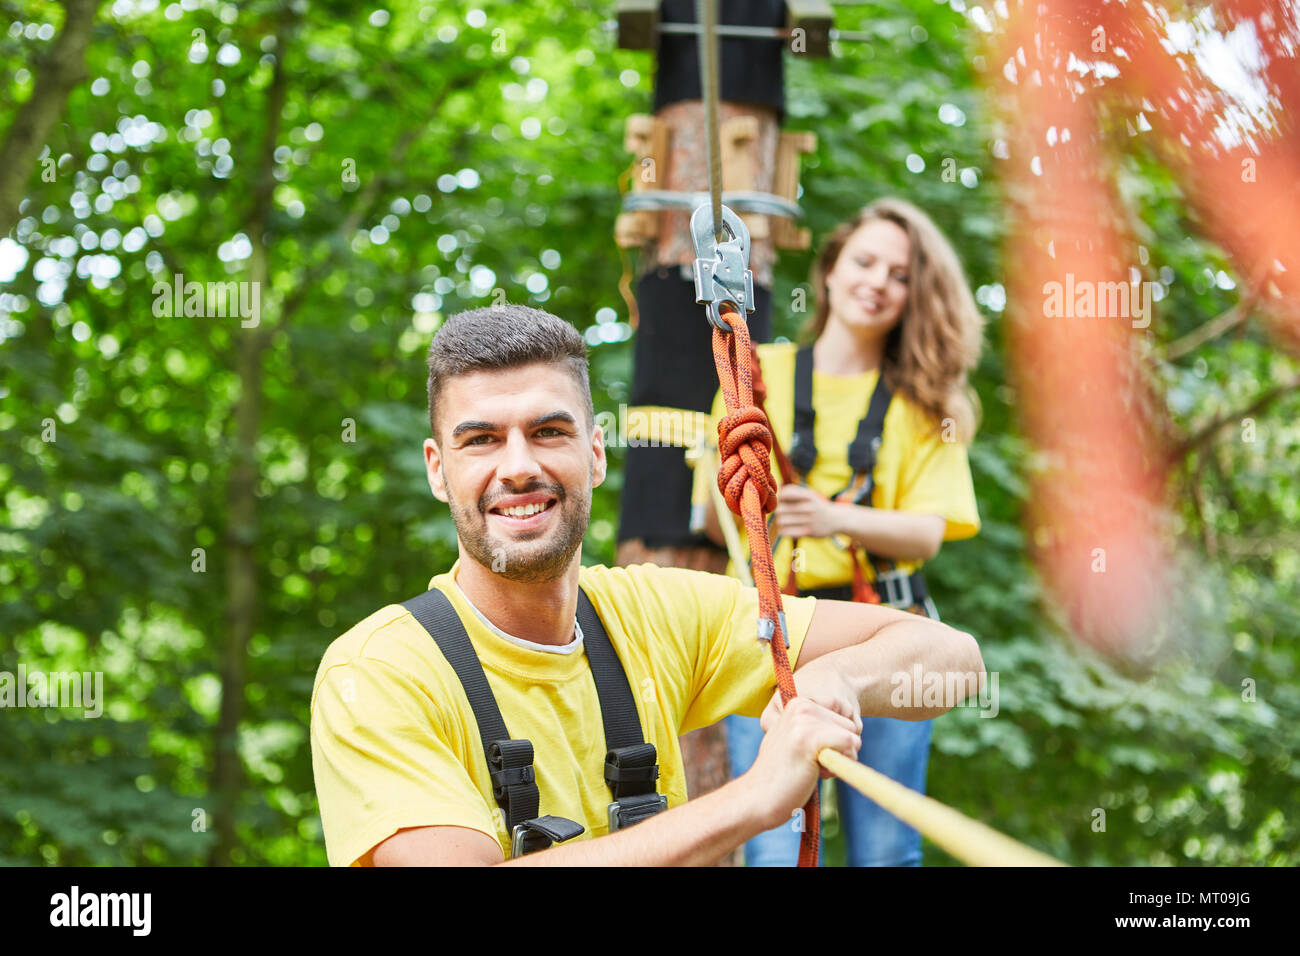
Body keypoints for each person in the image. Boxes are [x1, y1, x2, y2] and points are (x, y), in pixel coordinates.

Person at [309, 303, 984, 866]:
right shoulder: (378, 673)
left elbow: (955, 662)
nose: (518, 467)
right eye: (481, 440)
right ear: (437, 470)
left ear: (595, 452)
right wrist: (753, 798)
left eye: (549, 431)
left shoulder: (656, 614)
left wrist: (841, 678)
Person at [694, 198, 984, 866]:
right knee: (774, 848)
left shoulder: (922, 404)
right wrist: (749, 490)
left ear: (916, 296)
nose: (878, 281)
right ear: (829, 270)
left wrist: (833, 518)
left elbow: (926, 533)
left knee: (885, 850)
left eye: (901, 274)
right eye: (865, 261)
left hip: (885, 629)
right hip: (781, 630)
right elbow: (717, 523)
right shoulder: (753, 373)